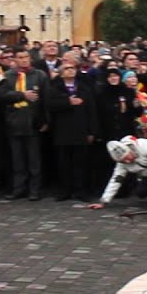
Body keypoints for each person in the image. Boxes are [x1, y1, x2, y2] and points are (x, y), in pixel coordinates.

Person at [0, 50, 50, 200]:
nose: (24, 60)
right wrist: (22, 95)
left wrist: (46, 120)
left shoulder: (39, 75)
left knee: (34, 160)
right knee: (17, 160)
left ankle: (34, 190)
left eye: (26, 57)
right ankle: (18, 189)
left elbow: (46, 99)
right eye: (20, 58)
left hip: (33, 123)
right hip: (14, 122)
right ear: (14, 60)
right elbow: (1, 95)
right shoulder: (8, 76)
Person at [48, 62, 99, 201]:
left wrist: (92, 131)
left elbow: (91, 111)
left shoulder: (84, 88)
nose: (70, 71)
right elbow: (50, 105)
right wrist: (67, 102)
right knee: (63, 163)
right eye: (66, 68)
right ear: (61, 72)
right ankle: (65, 190)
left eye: (72, 68)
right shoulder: (55, 88)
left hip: (81, 130)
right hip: (62, 131)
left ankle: (80, 190)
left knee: (80, 163)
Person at [88, 136, 147, 210]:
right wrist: (103, 201)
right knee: (140, 192)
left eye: (127, 157)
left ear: (129, 149)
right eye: (123, 161)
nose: (127, 161)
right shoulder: (122, 164)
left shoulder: (143, 145)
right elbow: (116, 180)